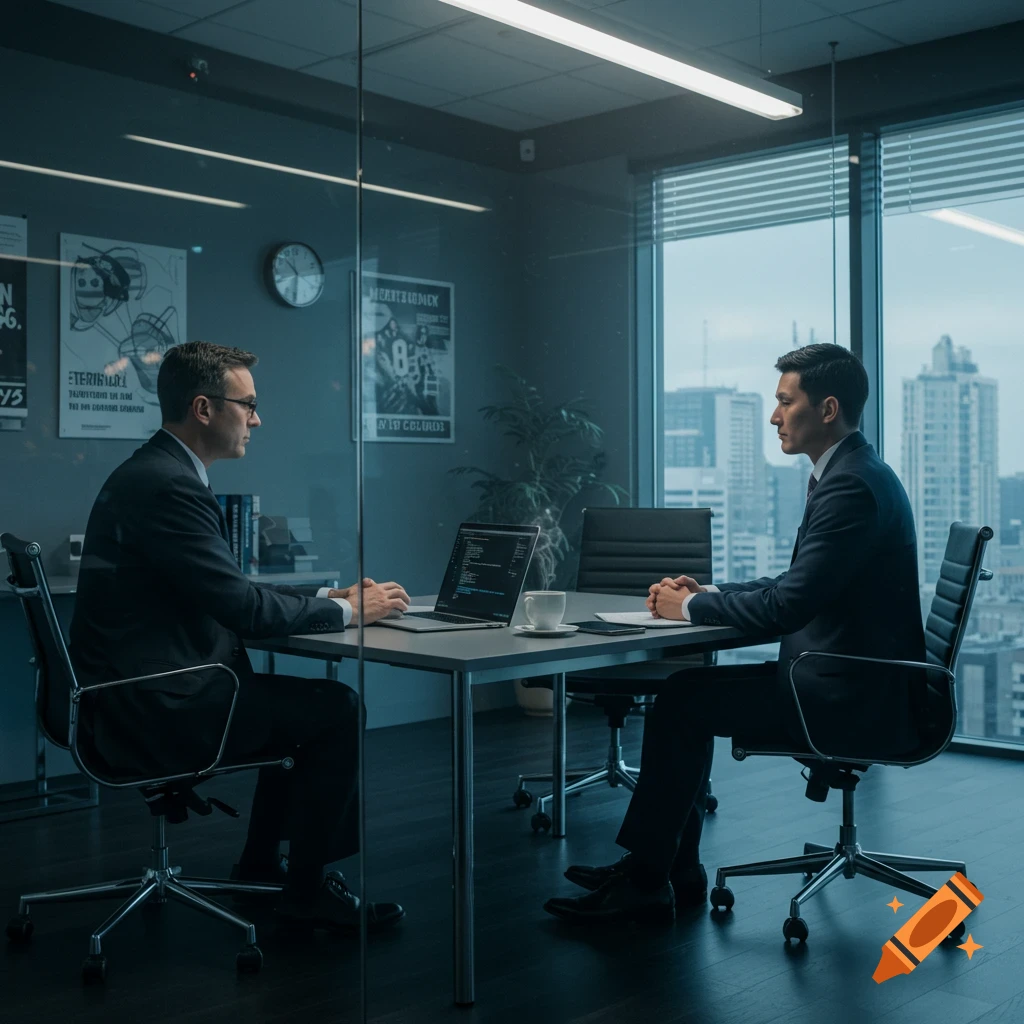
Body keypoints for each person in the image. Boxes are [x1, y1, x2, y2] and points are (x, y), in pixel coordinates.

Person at [544, 344, 926, 925]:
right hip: (849, 680)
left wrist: (692, 606)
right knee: (686, 696)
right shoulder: (853, 472)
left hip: (846, 696)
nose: (774, 416)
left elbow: (789, 605)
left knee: (682, 700)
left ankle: (652, 879)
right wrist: (707, 593)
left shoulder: (850, 486)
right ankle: (669, 869)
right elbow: (798, 582)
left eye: (783, 401)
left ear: (827, 409)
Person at [70, 341, 410, 933]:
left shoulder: (155, 471)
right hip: (158, 706)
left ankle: (260, 868)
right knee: (335, 709)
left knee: (301, 711)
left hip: (127, 696)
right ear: (204, 409)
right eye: (247, 404)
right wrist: (351, 615)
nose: (257, 418)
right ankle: (304, 892)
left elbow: (223, 587)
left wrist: (328, 599)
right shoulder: (170, 485)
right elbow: (241, 609)